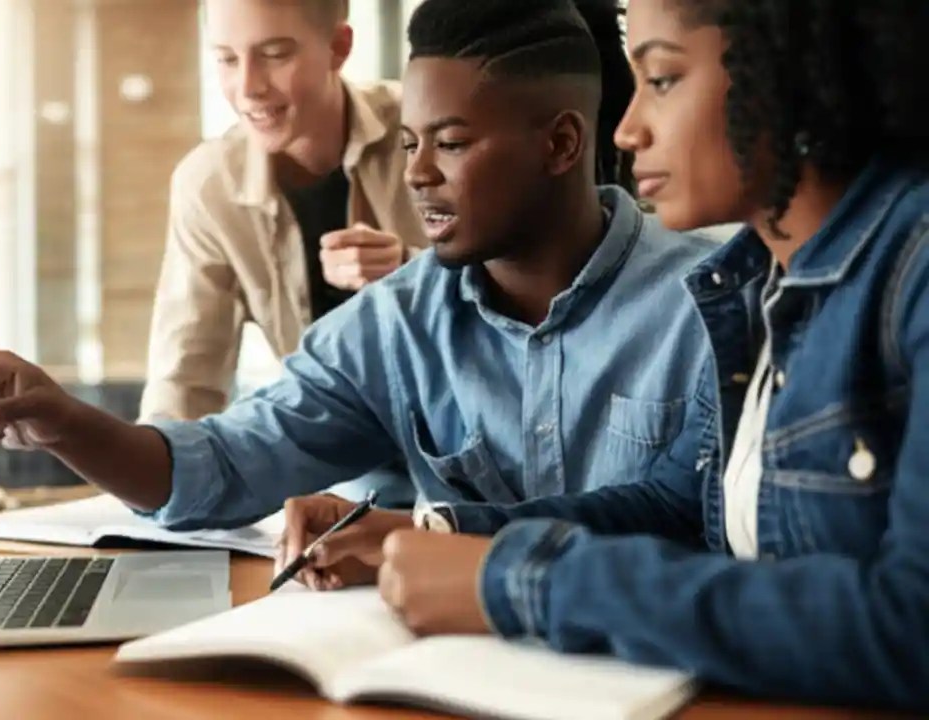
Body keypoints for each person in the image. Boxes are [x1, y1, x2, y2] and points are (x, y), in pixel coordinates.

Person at [297, 0, 929, 711]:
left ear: (792, 69)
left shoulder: (915, 272)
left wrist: (517, 583)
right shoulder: (754, 286)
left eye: (660, 79)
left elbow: (912, 626)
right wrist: (436, 532)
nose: (626, 131)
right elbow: (676, 502)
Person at [0, 0, 715, 546]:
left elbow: (708, 526)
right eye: (408, 145)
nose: (419, 176)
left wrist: (426, 536)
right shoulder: (393, 324)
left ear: (561, 146)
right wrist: (66, 421)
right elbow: (223, 465)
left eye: (453, 143)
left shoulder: (717, 302)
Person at [140, 0, 426, 423]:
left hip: (475, 436)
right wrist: (149, 478)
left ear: (338, 46)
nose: (248, 87)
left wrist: (412, 271)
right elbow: (184, 382)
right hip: (341, 450)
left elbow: (527, 289)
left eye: (275, 55)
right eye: (227, 59)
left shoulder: (424, 129)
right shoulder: (209, 185)